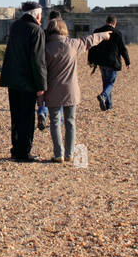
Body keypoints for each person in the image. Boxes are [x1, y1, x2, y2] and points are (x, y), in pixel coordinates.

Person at [43, 18, 111, 162]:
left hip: (52, 89)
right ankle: (69, 154)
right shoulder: (73, 44)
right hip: (70, 90)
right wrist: (104, 35)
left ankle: (58, 154)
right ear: (64, 30)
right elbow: (89, 40)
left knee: (55, 121)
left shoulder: (45, 48)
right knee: (70, 121)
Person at [0, 1, 46, 162]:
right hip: (27, 81)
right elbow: (38, 60)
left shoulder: (15, 27)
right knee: (27, 117)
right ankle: (24, 152)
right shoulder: (36, 30)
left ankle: (15, 149)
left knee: (16, 116)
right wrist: (41, 85)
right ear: (37, 14)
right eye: (41, 15)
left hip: (12, 79)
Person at [87, 14, 131, 111]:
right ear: (114, 23)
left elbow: (92, 47)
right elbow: (123, 49)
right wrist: (127, 61)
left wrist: (90, 60)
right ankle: (103, 96)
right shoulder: (117, 33)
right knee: (110, 83)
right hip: (112, 62)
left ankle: (108, 105)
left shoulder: (97, 31)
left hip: (101, 62)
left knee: (105, 83)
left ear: (106, 21)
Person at [36, 9, 61, 131]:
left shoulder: (43, 33)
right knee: (58, 96)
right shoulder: (62, 36)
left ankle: (42, 112)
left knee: (43, 95)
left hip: (43, 68)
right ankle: (57, 120)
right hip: (56, 69)